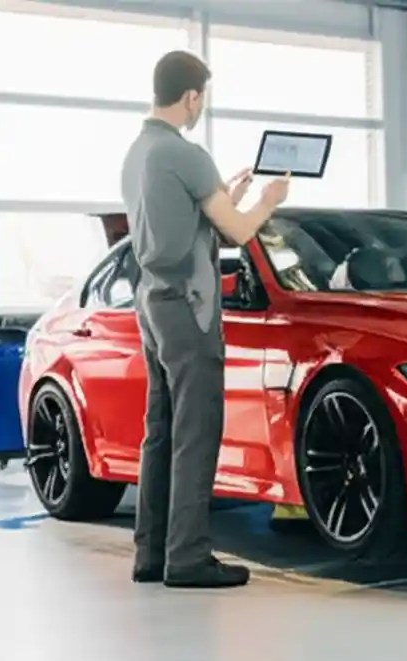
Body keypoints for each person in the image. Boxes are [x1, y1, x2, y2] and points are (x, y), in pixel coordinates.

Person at [121, 50, 289, 588]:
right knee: (196, 431)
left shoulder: (138, 152)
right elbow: (239, 232)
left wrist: (225, 198)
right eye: (202, 98)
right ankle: (189, 557)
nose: (200, 107)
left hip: (150, 302)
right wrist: (268, 200)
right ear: (191, 96)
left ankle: (152, 553)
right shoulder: (186, 153)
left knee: (161, 430)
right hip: (188, 309)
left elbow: (191, 223)